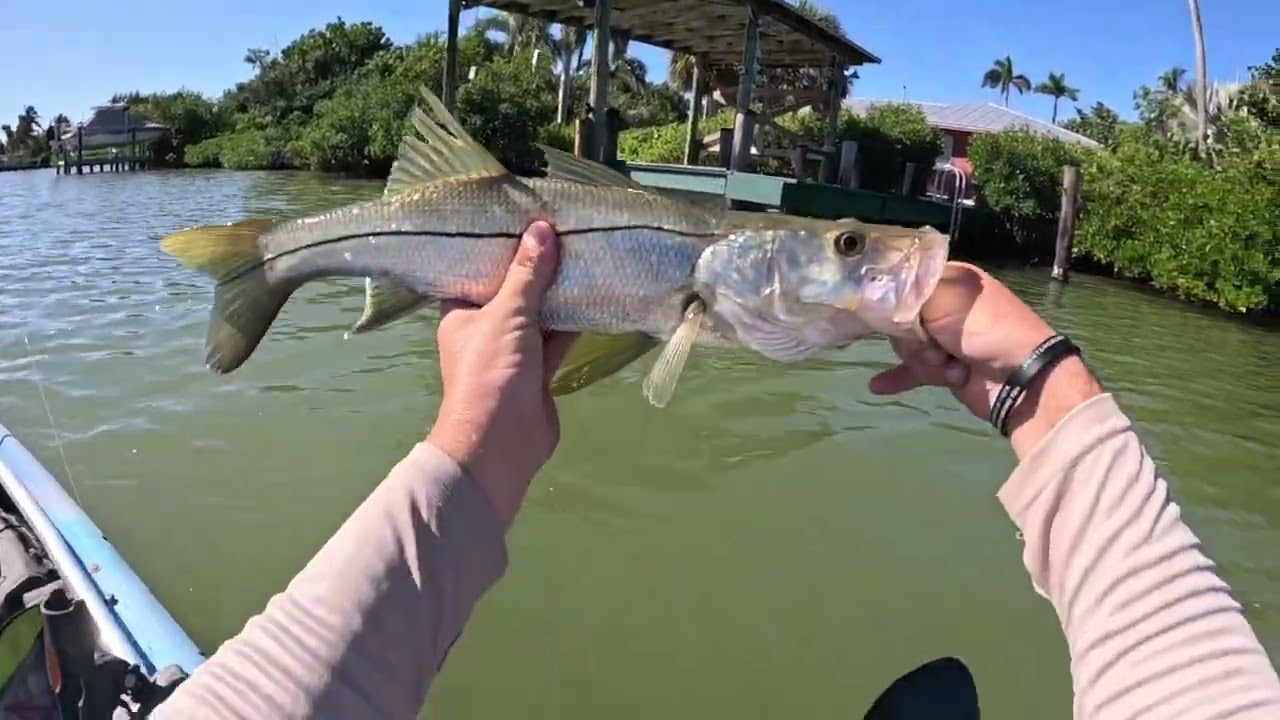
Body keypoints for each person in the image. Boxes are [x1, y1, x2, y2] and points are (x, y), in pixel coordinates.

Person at [159, 221, 1280, 719]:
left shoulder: (720, 287)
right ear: (743, 257)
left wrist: (477, 446)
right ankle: (272, 263)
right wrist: (1055, 396)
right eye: (843, 247)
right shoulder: (700, 274)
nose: (866, 263)